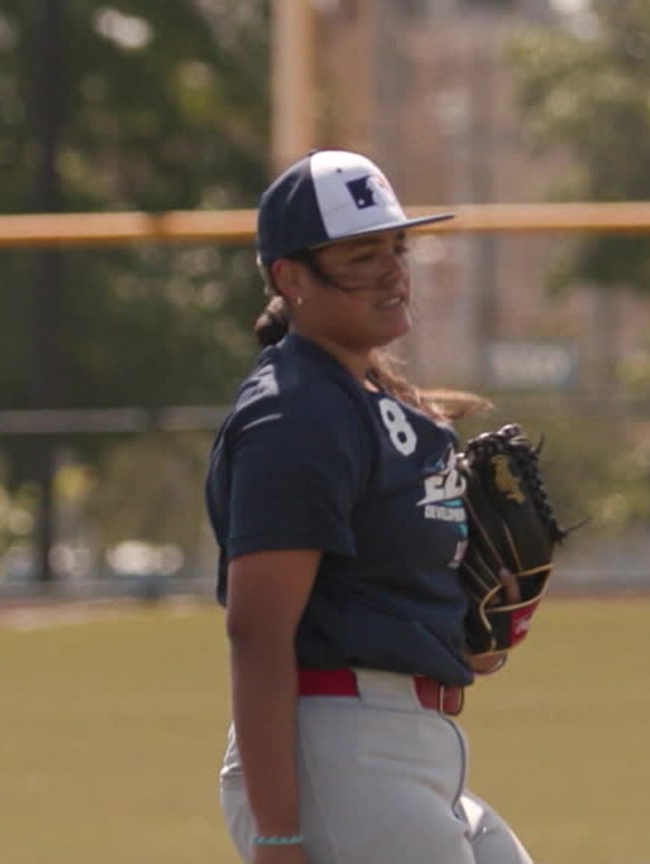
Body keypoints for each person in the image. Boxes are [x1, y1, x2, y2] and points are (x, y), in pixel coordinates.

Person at [204, 149, 536, 864]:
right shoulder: (293, 416)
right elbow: (257, 633)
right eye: (360, 254)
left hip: (410, 747)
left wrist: (470, 625)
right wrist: (279, 833)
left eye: (396, 246)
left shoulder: (382, 410)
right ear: (291, 278)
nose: (392, 269)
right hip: (337, 748)